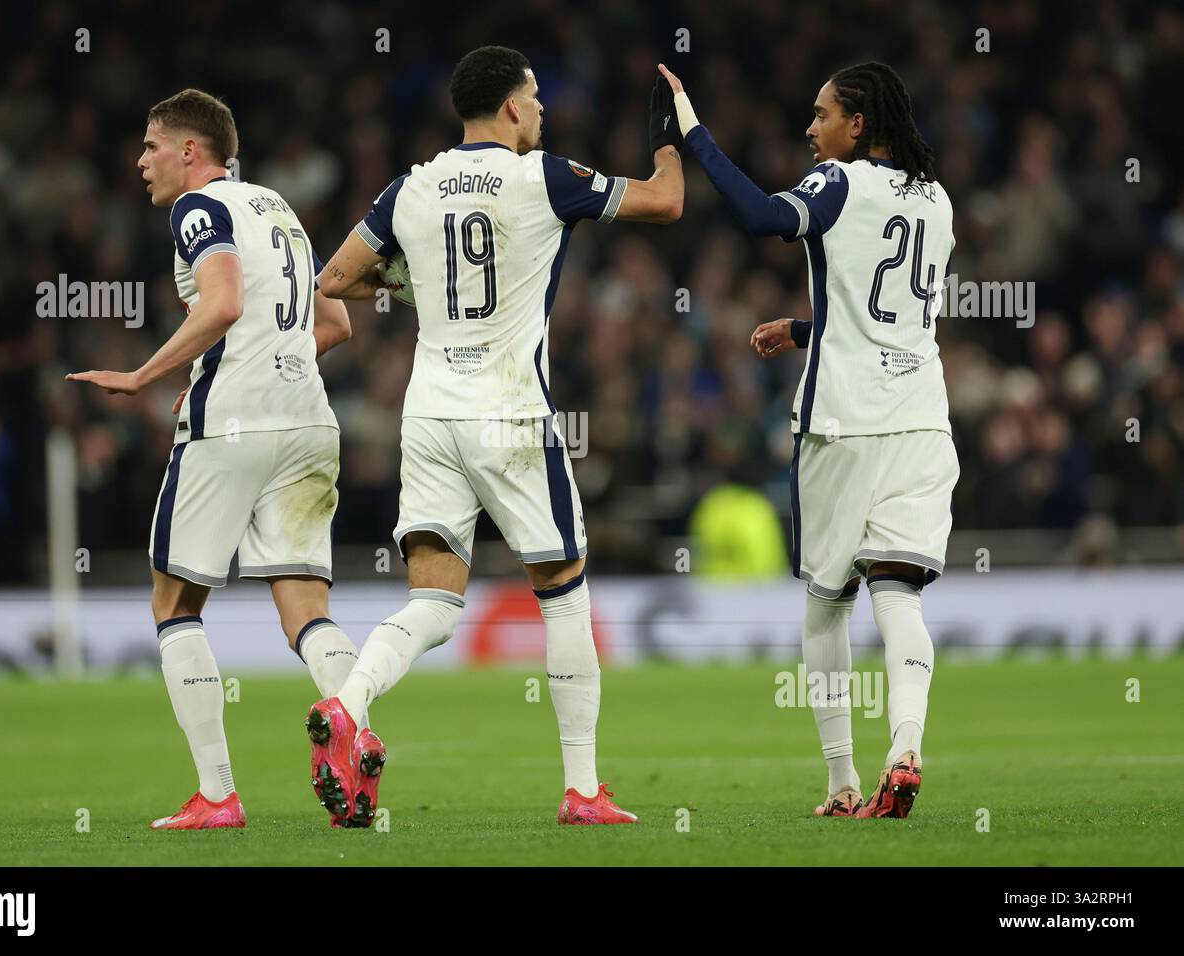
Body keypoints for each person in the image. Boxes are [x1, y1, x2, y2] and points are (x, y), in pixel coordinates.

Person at [315, 46, 686, 826]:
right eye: (537, 97)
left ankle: (348, 704)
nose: (544, 109)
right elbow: (666, 202)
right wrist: (669, 135)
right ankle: (582, 788)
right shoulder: (542, 175)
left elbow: (335, 280)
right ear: (513, 108)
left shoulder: (409, 185)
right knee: (562, 588)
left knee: (434, 601)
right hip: (511, 410)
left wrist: (413, 280)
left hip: (429, 412)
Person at [659, 61, 957, 818]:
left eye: (821, 115)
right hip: (922, 418)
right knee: (899, 594)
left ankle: (841, 782)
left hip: (843, 424)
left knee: (827, 607)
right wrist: (801, 329)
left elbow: (762, 217)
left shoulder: (841, 184)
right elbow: (890, 316)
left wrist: (694, 134)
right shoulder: (939, 201)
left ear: (859, 125)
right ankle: (908, 746)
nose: (809, 128)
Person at [67, 89, 372, 829]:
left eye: (150, 145)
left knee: (175, 604)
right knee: (306, 609)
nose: (141, 161)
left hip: (232, 427)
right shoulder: (278, 208)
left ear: (191, 152)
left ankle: (217, 795)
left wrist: (147, 376)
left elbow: (225, 303)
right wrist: (257, 363)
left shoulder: (196, 210)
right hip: (309, 423)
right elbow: (334, 320)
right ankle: (352, 732)